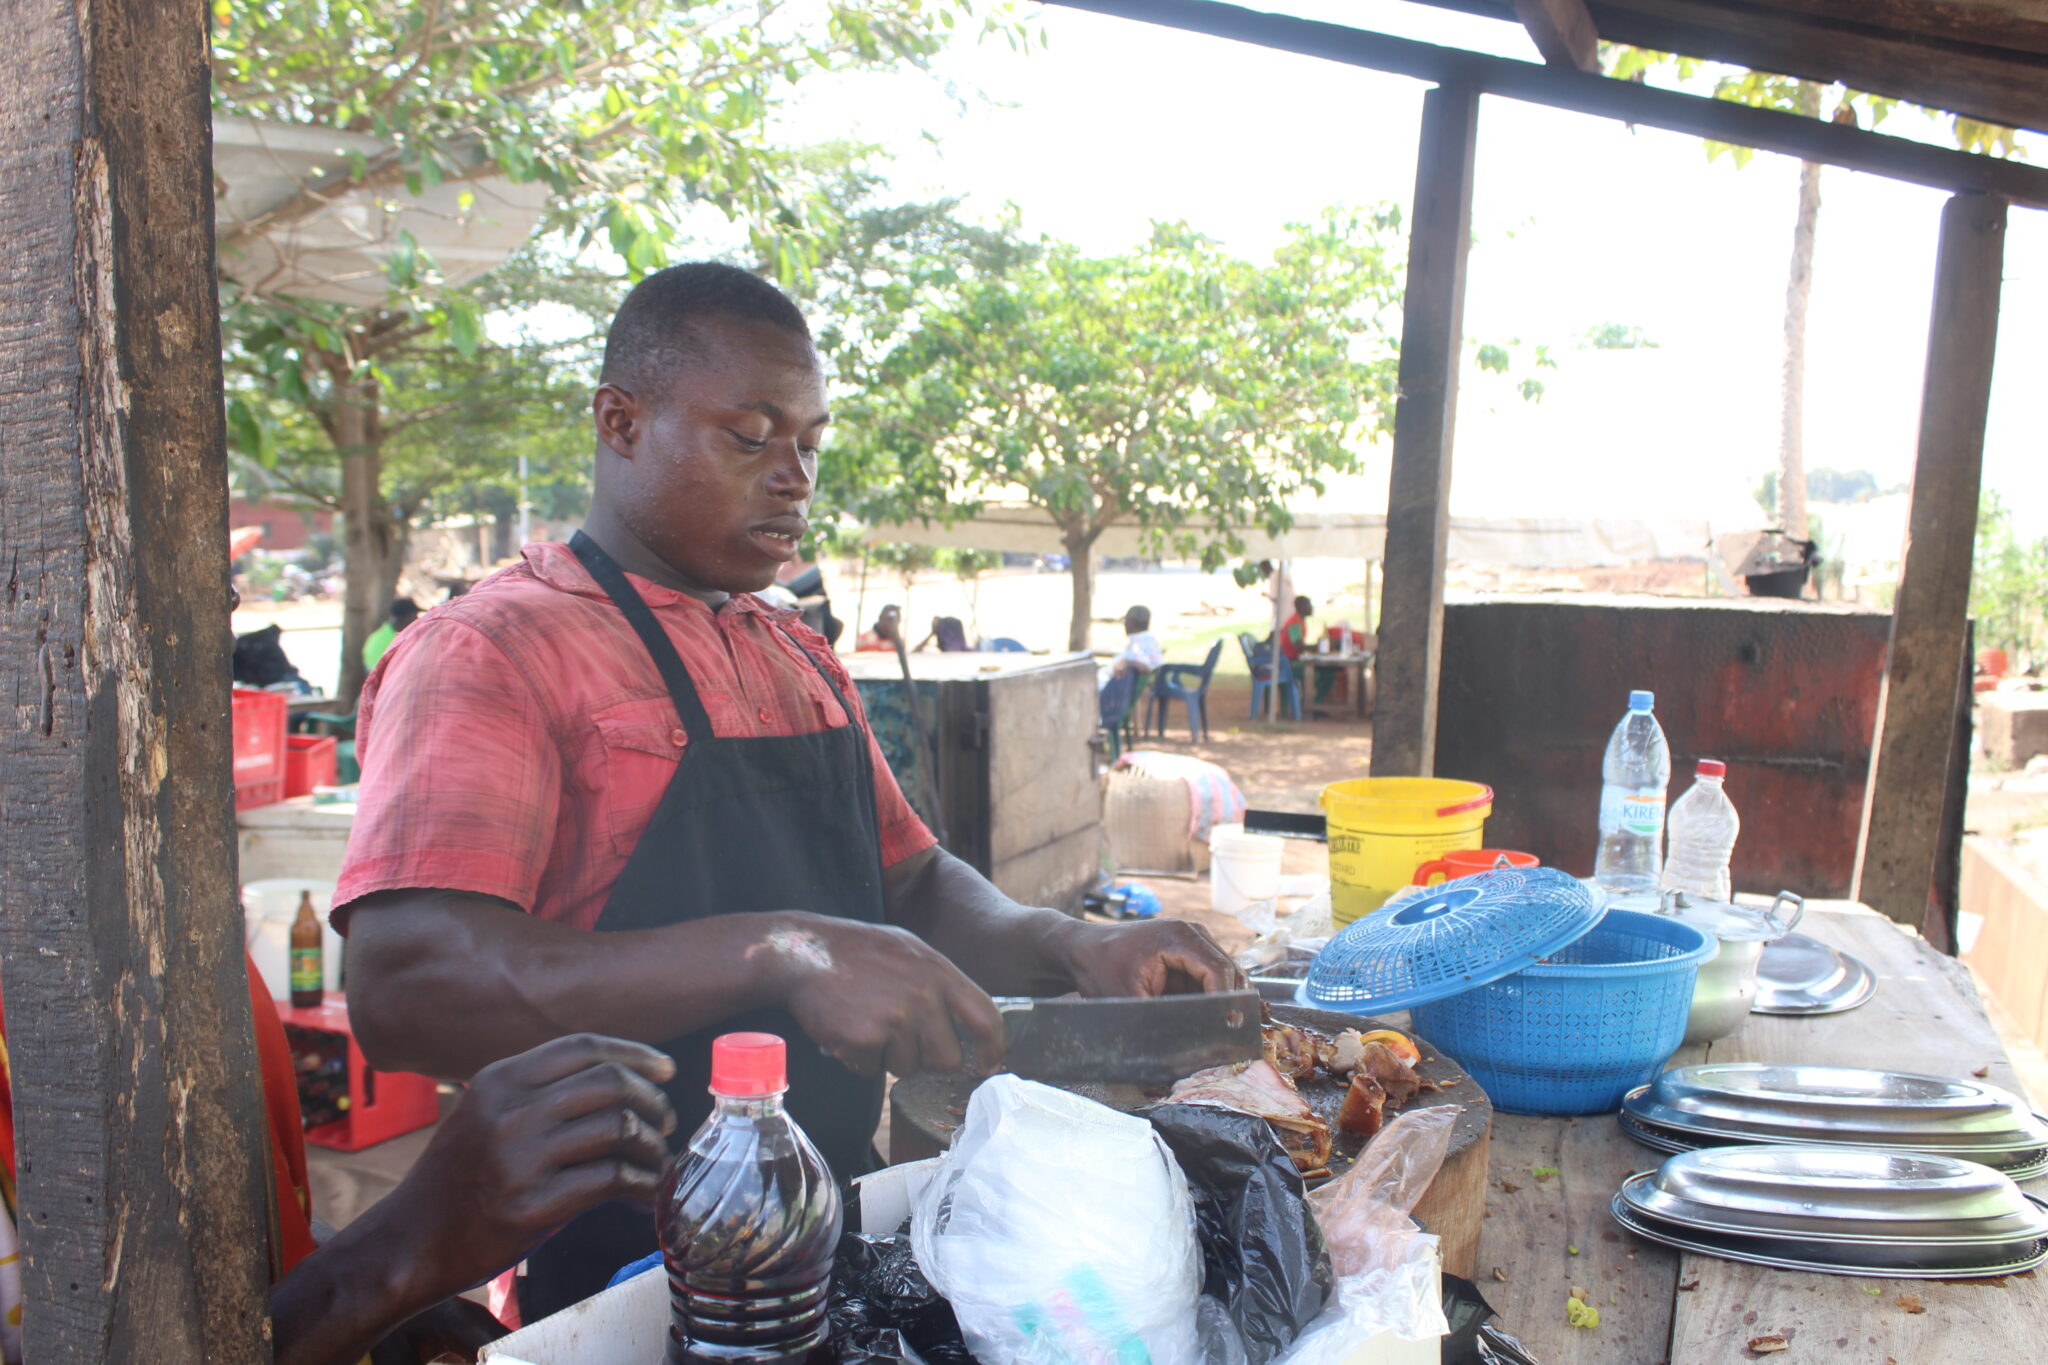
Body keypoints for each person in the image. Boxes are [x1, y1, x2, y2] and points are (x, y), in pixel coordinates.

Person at [331, 262, 1240, 1322]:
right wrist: (785, 949)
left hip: (832, 1217)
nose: (793, 477)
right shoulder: (494, 650)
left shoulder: (790, 650)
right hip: (626, 1266)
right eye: (749, 436)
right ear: (621, 423)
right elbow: (407, 985)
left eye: (809, 443)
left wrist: (1068, 944)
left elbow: (912, 882)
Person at [362, 598, 422, 670]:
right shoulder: (389, 641)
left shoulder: (377, 637)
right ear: (403, 618)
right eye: (414, 616)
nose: (417, 619)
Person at [1110, 605, 1164, 679]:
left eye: (1125, 621)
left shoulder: (1140, 642)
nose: (1124, 624)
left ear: (1132, 623)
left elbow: (1146, 667)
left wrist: (1125, 662)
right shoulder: (1147, 639)